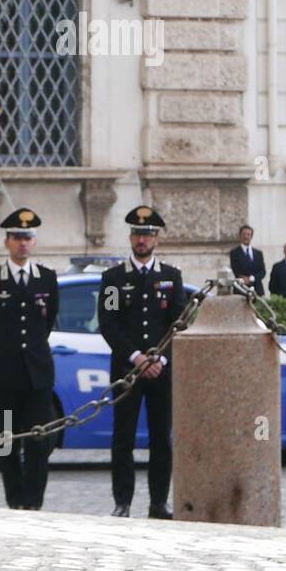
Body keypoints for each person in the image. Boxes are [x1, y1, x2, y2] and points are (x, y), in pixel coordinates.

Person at [98, 206, 185, 519]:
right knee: (123, 438)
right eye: (137, 233)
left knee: (161, 438)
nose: (142, 240)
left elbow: (178, 324)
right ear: (130, 237)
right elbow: (108, 324)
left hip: (161, 371)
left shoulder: (171, 277)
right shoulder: (113, 278)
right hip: (127, 371)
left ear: (156, 238)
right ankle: (122, 502)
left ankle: (158, 503)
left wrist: (159, 358)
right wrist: (136, 358)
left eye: (147, 234)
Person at [0, 207, 58, 510]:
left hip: (37, 373)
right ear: (7, 241)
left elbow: (47, 322)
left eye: (28, 238)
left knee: (38, 440)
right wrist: (3, 349)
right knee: (6, 440)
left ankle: (34, 501)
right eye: (17, 238)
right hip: (4, 373)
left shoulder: (46, 278)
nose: (23, 243)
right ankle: (14, 499)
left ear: (34, 242)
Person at [229, 225, 266, 295]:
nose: (246, 237)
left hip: (257, 290)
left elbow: (262, 272)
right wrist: (244, 279)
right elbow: (236, 271)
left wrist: (251, 279)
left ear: (251, 237)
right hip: (241, 290)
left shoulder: (258, 253)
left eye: (248, 234)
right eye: (244, 234)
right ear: (240, 236)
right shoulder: (234, 253)